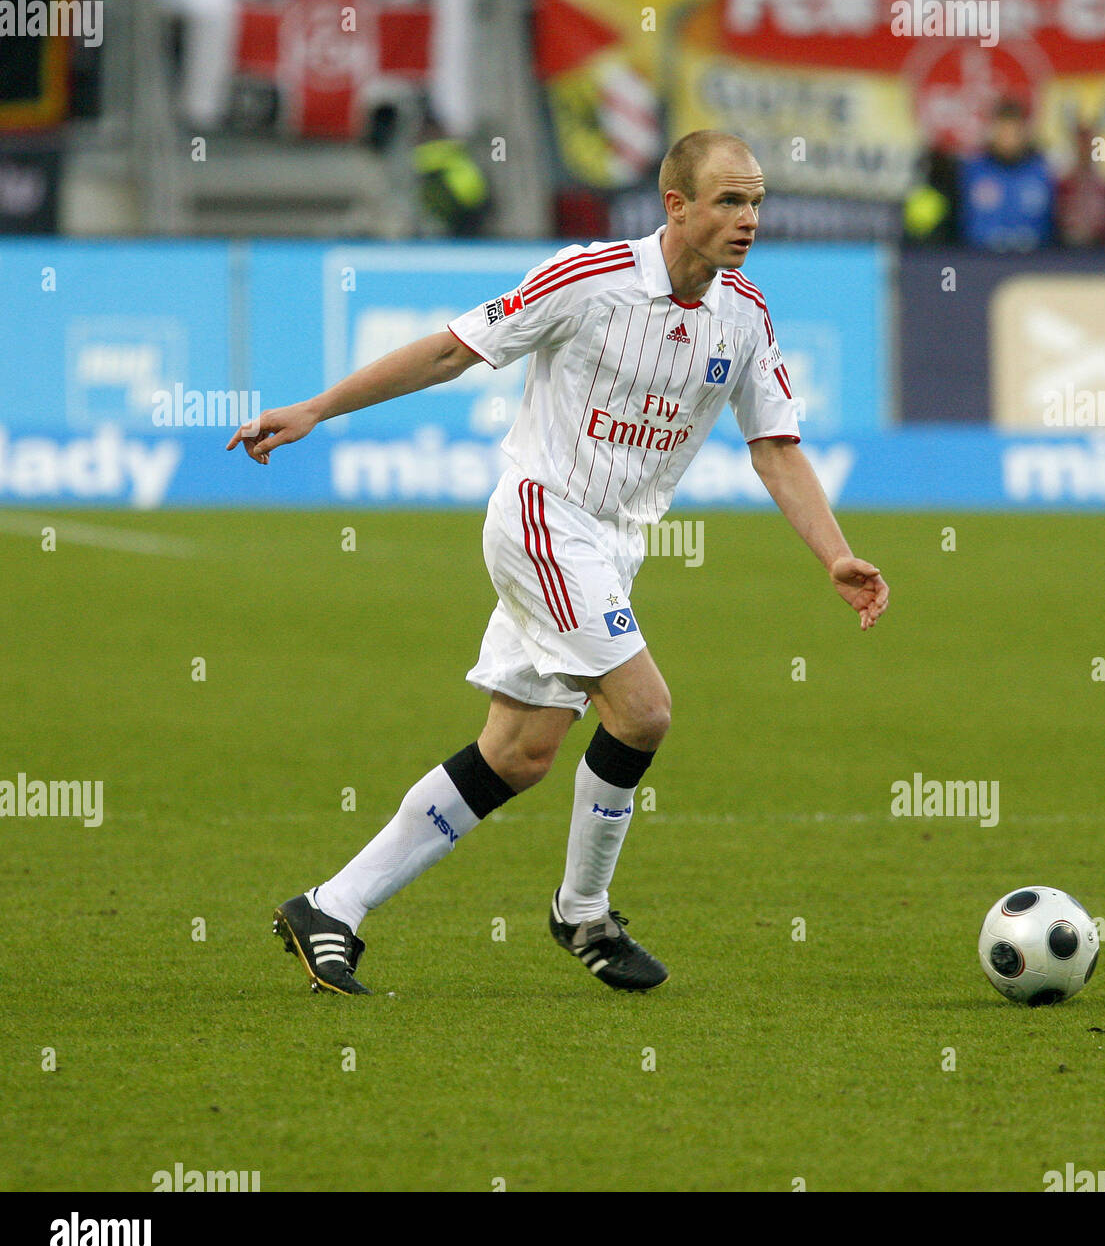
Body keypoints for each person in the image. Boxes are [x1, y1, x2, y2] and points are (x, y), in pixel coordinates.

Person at [226, 129, 890, 996]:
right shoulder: (588, 278)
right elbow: (447, 351)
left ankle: (330, 906)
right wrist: (316, 409)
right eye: (729, 200)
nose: (748, 218)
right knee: (644, 712)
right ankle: (582, 911)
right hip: (543, 516)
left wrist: (834, 555)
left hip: (613, 547)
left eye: (756, 200)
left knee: (517, 752)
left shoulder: (744, 316)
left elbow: (775, 447)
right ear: (676, 205)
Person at [957, 98, 1055, 252]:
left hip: (1034, 263)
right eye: (1003, 131)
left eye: (1013, 132)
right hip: (979, 262)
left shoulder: (1041, 172)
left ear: (1024, 133)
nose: (1008, 139)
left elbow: (1051, 224)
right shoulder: (974, 171)